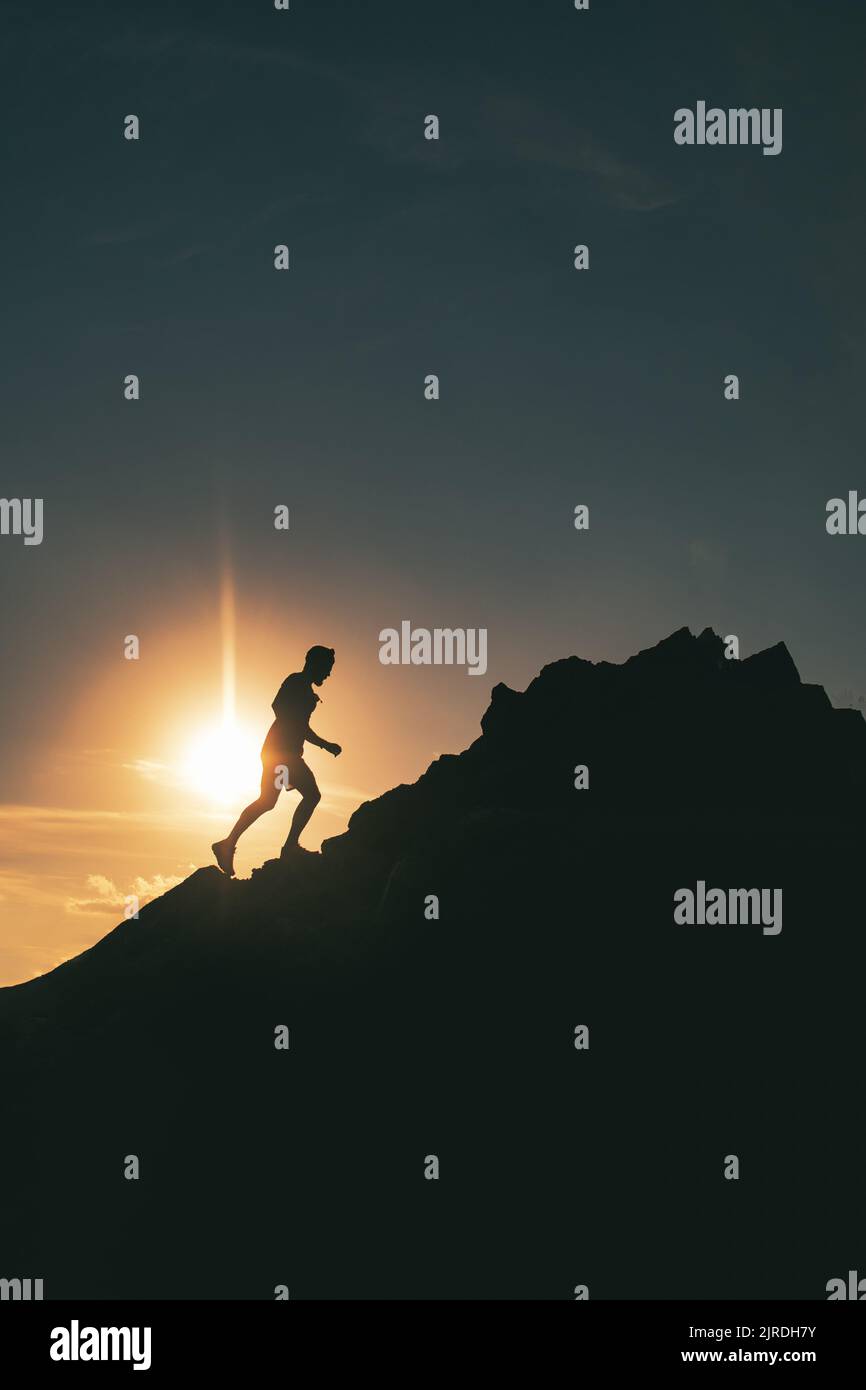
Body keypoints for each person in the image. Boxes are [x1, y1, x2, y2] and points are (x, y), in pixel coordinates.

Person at [212, 645, 341, 876]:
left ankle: (227, 844)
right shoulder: (296, 681)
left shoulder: (305, 688)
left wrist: (322, 743)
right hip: (281, 753)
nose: (328, 674)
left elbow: (301, 726)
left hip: (282, 753)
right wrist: (317, 740)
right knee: (310, 795)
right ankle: (288, 847)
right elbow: (278, 706)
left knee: (268, 801)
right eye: (327, 668)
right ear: (315, 664)